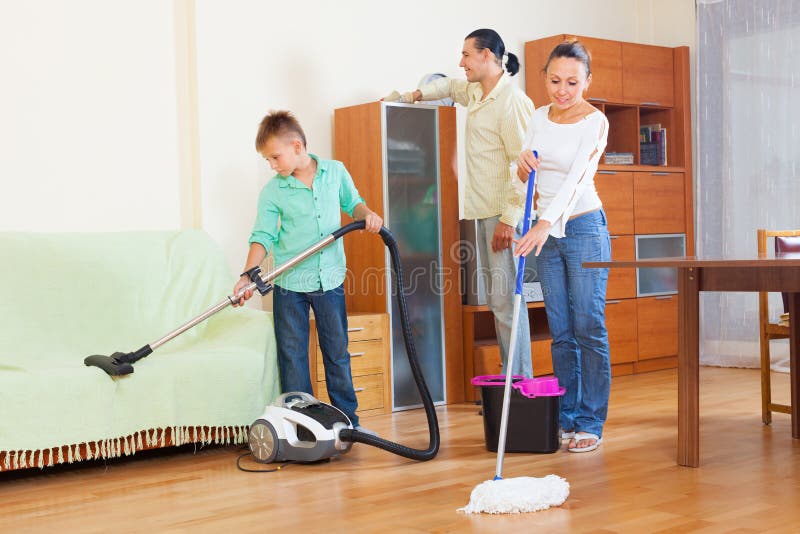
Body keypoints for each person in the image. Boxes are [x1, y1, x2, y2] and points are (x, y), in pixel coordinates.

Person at [386, 28, 535, 378]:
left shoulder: (511, 102)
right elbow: (450, 87)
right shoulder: (477, 93)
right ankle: (511, 379)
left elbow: (525, 167)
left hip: (503, 216)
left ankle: (520, 385)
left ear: (487, 55)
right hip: (484, 213)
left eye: (467, 55)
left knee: (506, 304)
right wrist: (412, 95)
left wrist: (510, 220)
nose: (461, 62)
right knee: (498, 304)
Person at [234, 110, 383, 435]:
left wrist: (368, 214)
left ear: (298, 147)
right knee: (292, 356)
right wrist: (247, 275)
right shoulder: (273, 191)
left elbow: (353, 203)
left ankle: (349, 424)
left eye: (274, 157)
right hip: (289, 285)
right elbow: (263, 236)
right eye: (267, 160)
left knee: (337, 353)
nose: (272, 165)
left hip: (329, 279)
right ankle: (302, 426)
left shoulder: (335, 172)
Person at [512, 40, 611, 453]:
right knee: (561, 330)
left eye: (572, 82)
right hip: (545, 232)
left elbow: (574, 181)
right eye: (555, 81)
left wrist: (546, 223)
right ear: (545, 79)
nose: (563, 90)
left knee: (588, 325)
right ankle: (566, 416)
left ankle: (590, 420)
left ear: (587, 80)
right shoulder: (537, 117)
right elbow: (531, 176)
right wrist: (520, 166)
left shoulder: (596, 122)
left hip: (583, 227)